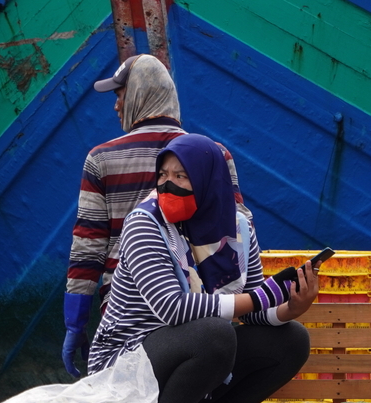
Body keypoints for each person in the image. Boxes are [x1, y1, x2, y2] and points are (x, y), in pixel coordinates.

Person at [88, 134, 317, 403]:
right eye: (163, 175)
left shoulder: (237, 227)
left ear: (209, 181)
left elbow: (254, 306)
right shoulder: (144, 223)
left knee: (292, 338)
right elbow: (172, 306)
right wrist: (255, 300)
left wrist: (289, 308)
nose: (169, 185)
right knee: (214, 332)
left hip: (189, 351)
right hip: (125, 362)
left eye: (181, 176)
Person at [63, 54, 248, 377]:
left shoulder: (101, 159)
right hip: (199, 309)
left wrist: (75, 322)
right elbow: (237, 233)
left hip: (126, 319)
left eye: (120, 95)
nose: (116, 106)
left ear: (137, 95)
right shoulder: (214, 155)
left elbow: (88, 249)